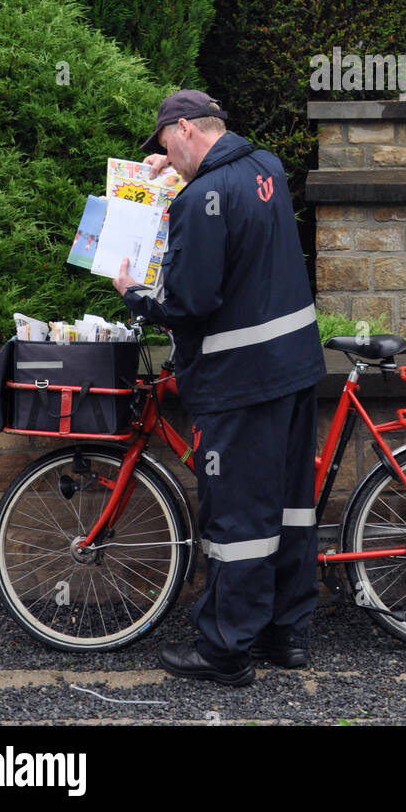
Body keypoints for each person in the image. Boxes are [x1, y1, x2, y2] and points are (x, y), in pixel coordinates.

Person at [112, 89, 326, 687]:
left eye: (164, 146)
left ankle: (226, 651)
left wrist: (133, 294)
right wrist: (164, 172)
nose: (165, 157)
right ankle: (287, 636)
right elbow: (222, 206)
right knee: (290, 509)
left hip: (242, 382)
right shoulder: (266, 168)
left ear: (183, 129)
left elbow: (191, 300)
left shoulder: (202, 195)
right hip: (295, 368)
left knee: (237, 522)